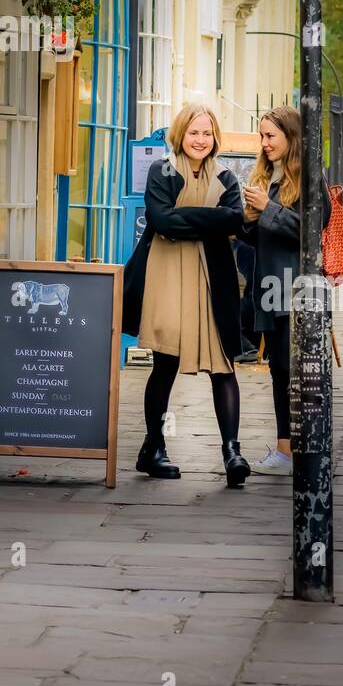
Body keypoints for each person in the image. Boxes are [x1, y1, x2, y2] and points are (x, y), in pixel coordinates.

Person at [123, 102, 250, 488]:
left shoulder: (226, 176)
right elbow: (160, 220)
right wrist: (210, 221)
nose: (200, 139)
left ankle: (232, 451)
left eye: (207, 133)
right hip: (166, 273)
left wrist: (183, 221)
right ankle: (153, 446)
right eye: (194, 132)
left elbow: (235, 218)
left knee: (224, 363)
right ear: (182, 134)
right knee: (165, 361)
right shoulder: (162, 170)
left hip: (213, 277)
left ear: (215, 138)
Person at [239, 106, 331, 477]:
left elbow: (311, 230)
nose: (264, 144)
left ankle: (302, 448)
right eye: (261, 136)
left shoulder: (310, 177)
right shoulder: (266, 176)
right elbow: (256, 237)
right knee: (279, 369)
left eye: (270, 136)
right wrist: (248, 219)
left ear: (291, 137)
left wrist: (268, 209)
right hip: (269, 288)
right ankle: (286, 448)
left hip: (298, 290)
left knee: (298, 372)